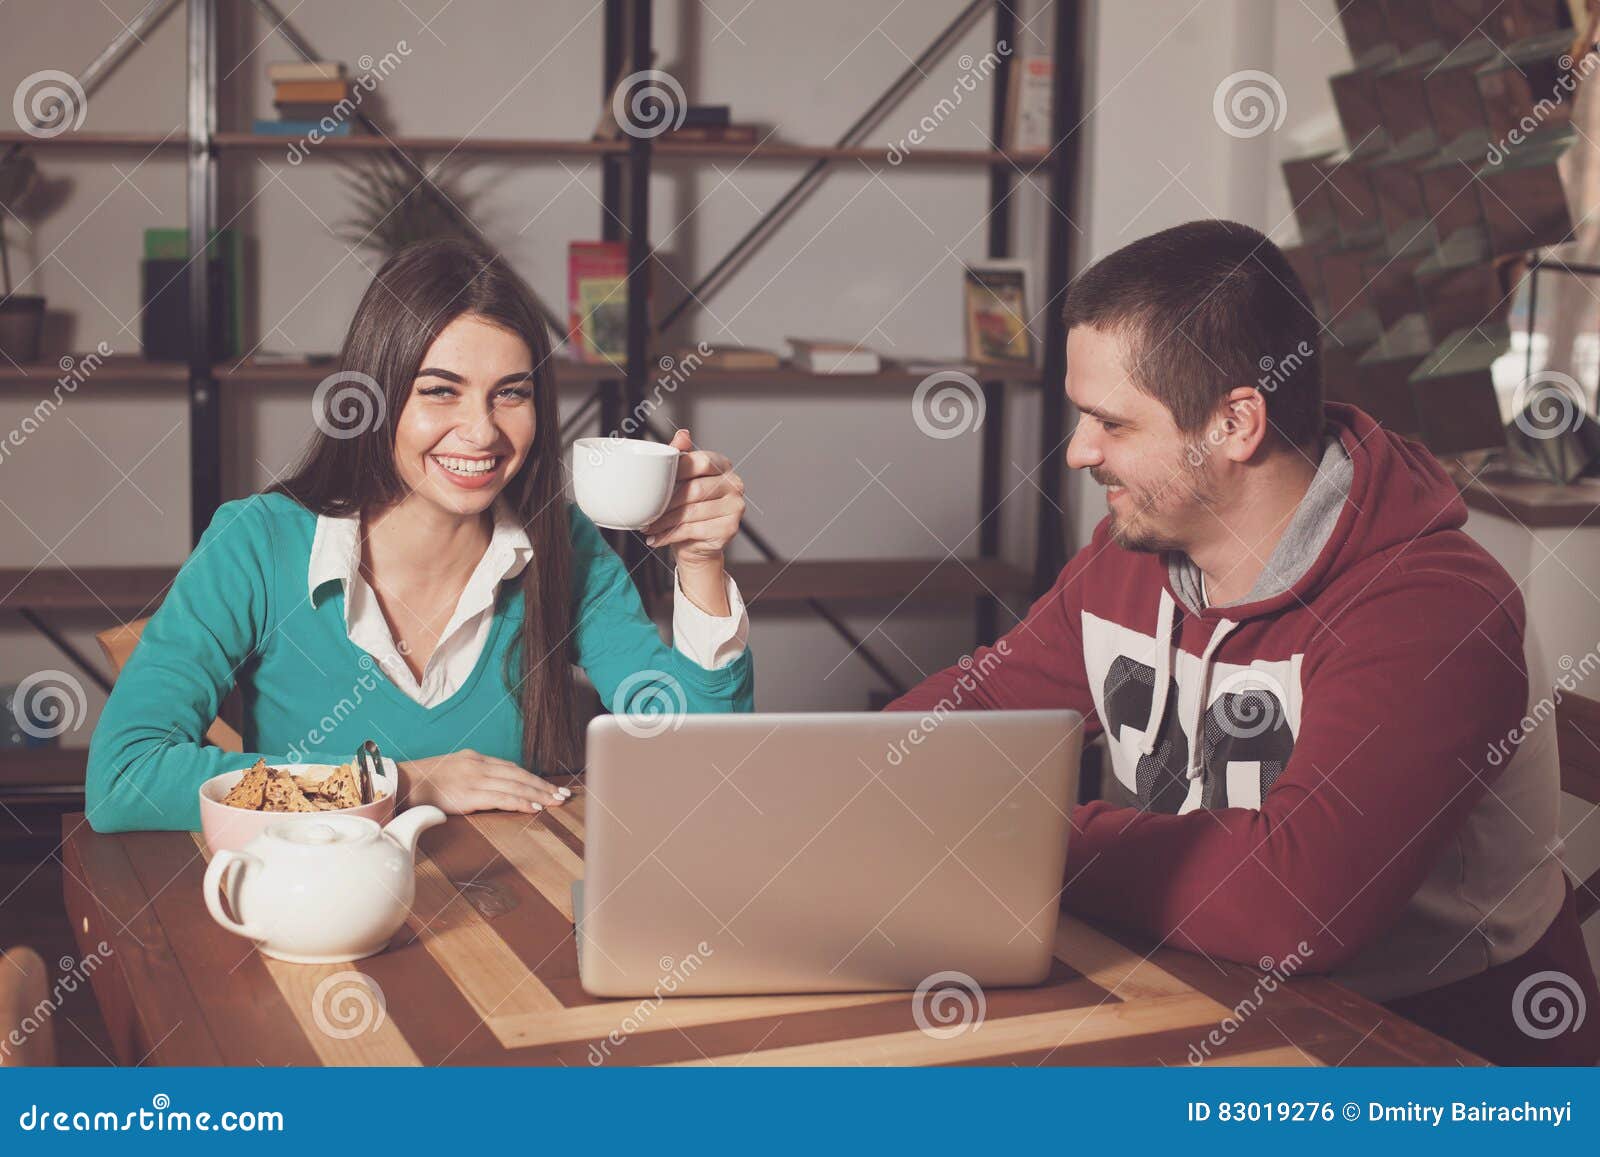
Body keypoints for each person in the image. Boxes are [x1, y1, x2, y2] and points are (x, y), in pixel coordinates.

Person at [887, 219, 1599, 1066]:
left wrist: (1021, 835)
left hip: (1430, 1060)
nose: (1079, 452)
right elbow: (964, 719)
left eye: (1109, 422)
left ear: (1235, 423)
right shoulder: (1129, 555)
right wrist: (876, 776)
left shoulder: (1434, 607)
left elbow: (1297, 905)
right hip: (1205, 1003)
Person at [87, 238, 753, 831]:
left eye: (510, 394)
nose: (482, 431)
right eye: (440, 390)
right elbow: (125, 778)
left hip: (503, 929)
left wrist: (698, 562)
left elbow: (698, 770)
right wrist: (402, 782)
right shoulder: (257, 545)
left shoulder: (564, 545)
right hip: (313, 926)